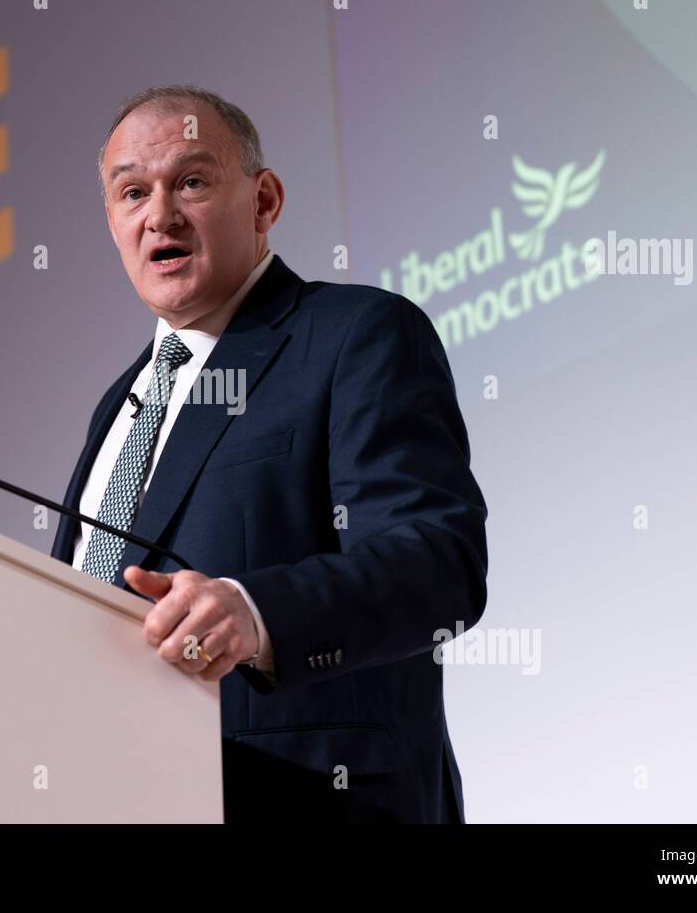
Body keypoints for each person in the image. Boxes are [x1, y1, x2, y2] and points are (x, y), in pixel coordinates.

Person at [50, 85, 488, 822]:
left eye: (191, 180)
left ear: (263, 200)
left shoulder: (356, 335)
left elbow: (438, 561)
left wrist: (258, 614)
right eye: (132, 193)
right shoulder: (115, 407)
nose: (160, 214)